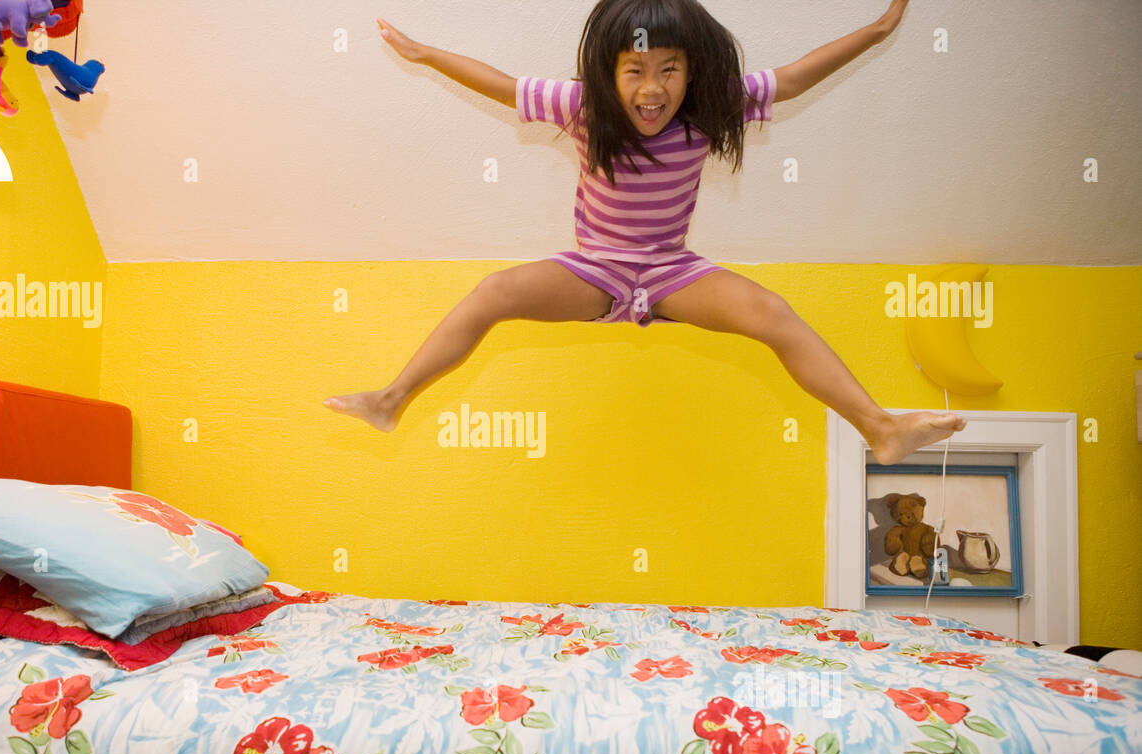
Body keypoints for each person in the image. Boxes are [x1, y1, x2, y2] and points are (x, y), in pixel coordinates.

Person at [324, 0, 964, 466]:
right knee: (494, 292)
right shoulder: (582, 106)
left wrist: (877, 30)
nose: (652, 87)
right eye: (634, 69)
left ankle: (880, 427)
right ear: (608, 72)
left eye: (669, 69)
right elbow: (500, 84)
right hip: (595, 269)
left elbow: (795, 76)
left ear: (693, 71)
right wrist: (425, 53)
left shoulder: (713, 107)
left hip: (671, 271)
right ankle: (392, 398)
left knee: (772, 312)